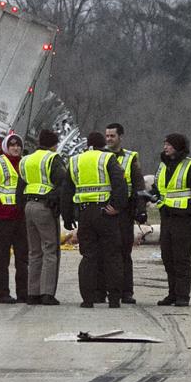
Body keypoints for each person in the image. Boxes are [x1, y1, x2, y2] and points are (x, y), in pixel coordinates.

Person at [61, 131, 127, 309]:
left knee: (88, 256)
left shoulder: (75, 161)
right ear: (102, 144)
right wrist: (117, 206)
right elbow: (120, 184)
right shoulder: (107, 158)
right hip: (105, 213)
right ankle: (114, 299)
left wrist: (67, 216)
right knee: (112, 255)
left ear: (87, 145)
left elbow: (67, 191)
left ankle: (88, 299)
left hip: (85, 214)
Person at [153, 132, 191, 307]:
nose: (165, 147)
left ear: (178, 147)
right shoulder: (163, 166)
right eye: (165, 144)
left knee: (181, 259)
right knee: (167, 257)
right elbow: (158, 188)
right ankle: (173, 294)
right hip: (166, 218)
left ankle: (183, 296)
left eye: (169, 144)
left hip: (183, 219)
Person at [15, 128, 64, 306]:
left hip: (29, 206)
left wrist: (21, 209)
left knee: (34, 251)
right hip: (45, 207)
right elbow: (62, 183)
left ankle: (32, 293)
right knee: (50, 249)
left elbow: (20, 187)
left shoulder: (26, 160)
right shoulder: (52, 159)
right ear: (53, 145)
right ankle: (47, 293)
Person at [0, 133, 29, 304]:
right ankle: (2, 293)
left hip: (21, 218)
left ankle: (23, 293)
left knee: (23, 258)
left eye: (18, 145)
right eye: (12, 145)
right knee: (2, 259)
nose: (16, 148)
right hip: (2, 219)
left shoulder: (25, 164)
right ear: (6, 147)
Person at [104, 122, 144, 304]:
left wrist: (140, 210)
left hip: (124, 212)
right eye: (107, 136)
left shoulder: (130, 158)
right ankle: (106, 289)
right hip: (105, 210)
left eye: (112, 136)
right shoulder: (100, 156)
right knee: (106, 252)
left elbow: (138, 185)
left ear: (120, 137)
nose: (109, 139)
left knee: (124, 252)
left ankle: (126, 292)